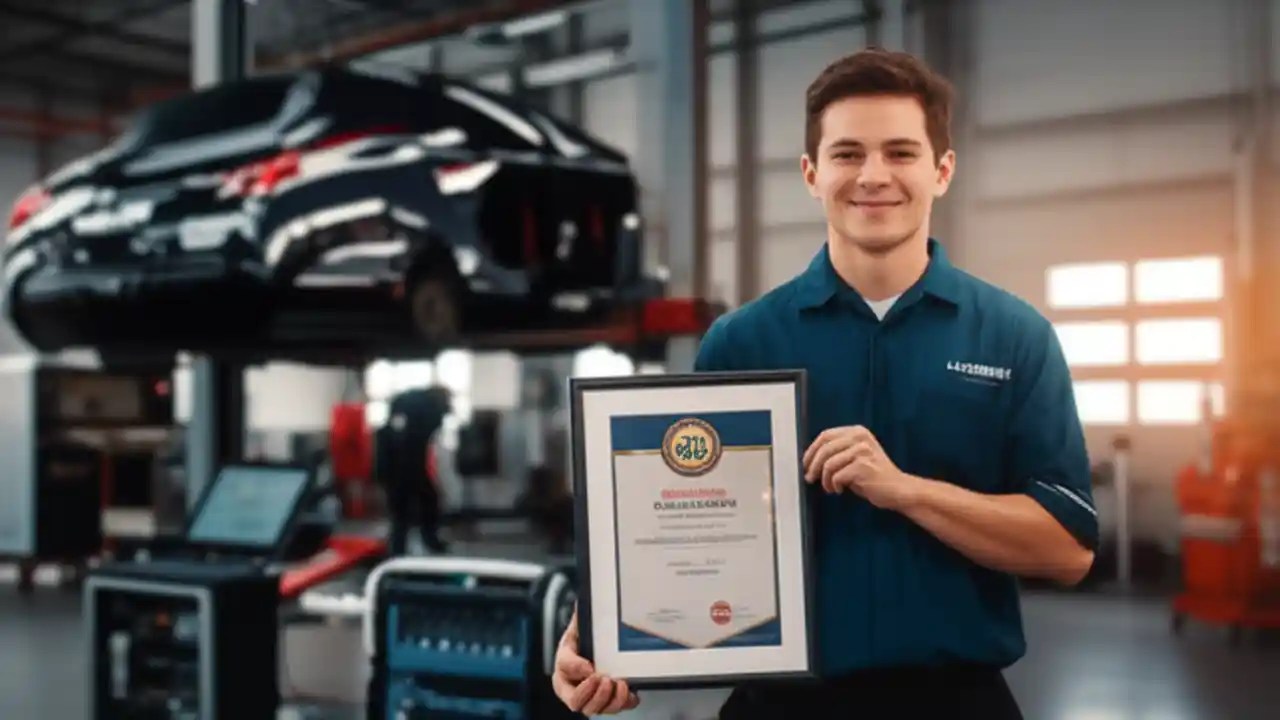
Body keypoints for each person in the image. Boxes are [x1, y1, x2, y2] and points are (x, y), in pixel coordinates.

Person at [549, 47, 1099, 718]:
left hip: (955, 701)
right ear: (812, 174)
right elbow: (673, 512)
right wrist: (604, 633)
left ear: (943, 170)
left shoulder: (1013, 338)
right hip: (782, 705)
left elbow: (1068, 549)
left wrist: (903, 491)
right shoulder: (743, 342)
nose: (874, 176)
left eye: (900, 152)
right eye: (847, 154)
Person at [376, 384, 452, 555]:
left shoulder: (409, 408)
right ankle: (405, 548)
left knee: (412, 508)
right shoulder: (422, 410)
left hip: (403, 467)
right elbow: (400, 441)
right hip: (401, 468)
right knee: (410, 509)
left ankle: (403, 548)